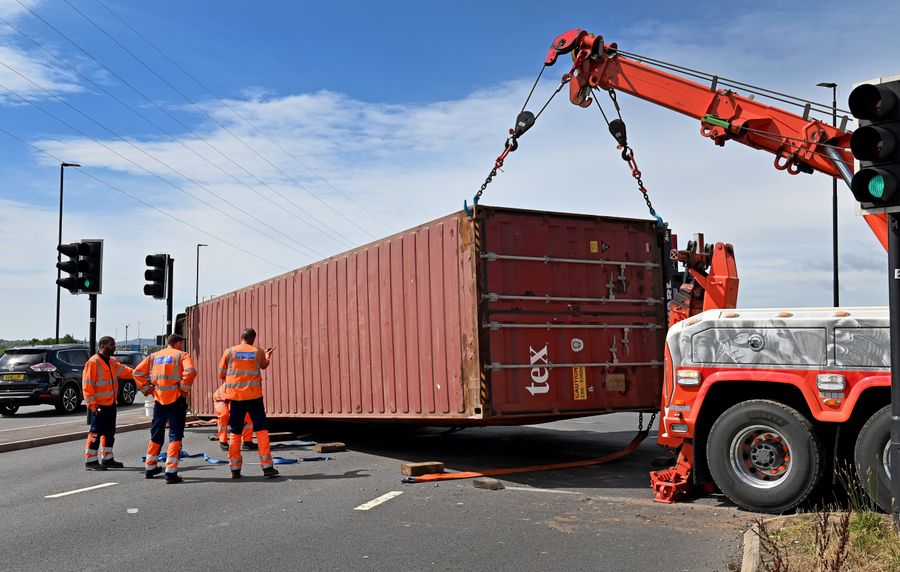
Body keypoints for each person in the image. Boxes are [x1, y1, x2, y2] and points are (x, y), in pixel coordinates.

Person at [133, 334, 197, 484]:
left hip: (159, 399)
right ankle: (171, 472)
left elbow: (137, 373)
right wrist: (183, 389)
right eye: (182, 343)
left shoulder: (154, 356)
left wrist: (148, 389)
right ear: (178, 343)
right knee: (175, 435)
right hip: (175, 400)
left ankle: (149, 468)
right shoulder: (182, 355)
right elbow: (191, 371)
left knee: (156, 434)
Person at [218, 328, 277, 479]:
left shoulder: (229, 352)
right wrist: (267, 355)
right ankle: (267, 467)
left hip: (236, 398)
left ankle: (235, 469)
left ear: (241, 337)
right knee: (262, 430)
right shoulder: (257, 352)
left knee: (236, 432)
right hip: (254, 397)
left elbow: (221, 374)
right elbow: (263, 365)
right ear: (253, 339)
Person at [82, 336, 134, 470]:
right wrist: (91, 404)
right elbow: (87, 385)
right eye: (111, 345)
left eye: (114, 344)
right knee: (96, 433)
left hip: (110, 404)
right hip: (98, 406)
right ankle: (90, 461)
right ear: (102, 345)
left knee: (109, 433)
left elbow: (125, 372)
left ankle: (107, 458)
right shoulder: (93, 362)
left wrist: (139, 374)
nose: (114, 347)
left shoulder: (112, 362)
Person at [213, 383, 256, 451]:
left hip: (233, 399)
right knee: (224, 415)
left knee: (248, 416)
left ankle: (247, 442)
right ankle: (223, 442)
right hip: (220, 399)